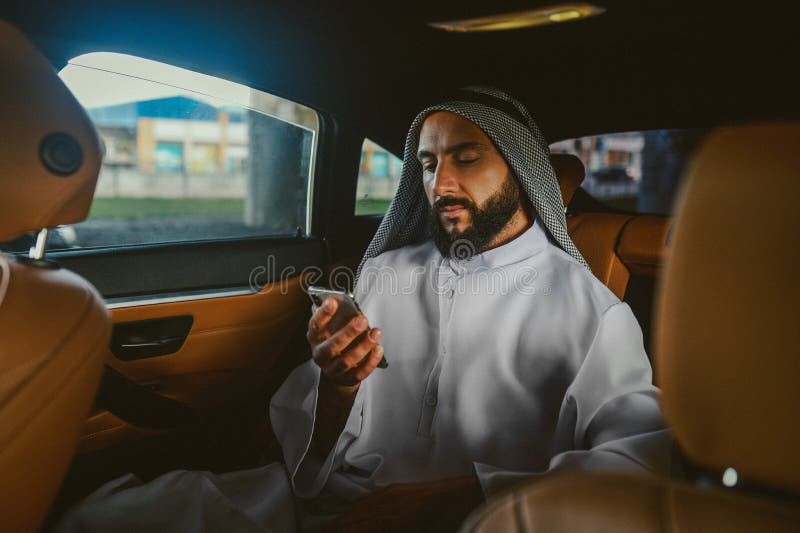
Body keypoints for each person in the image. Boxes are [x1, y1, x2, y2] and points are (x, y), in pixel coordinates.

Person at [55, 87, 669, 533]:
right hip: (320, 506)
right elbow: (311, 457)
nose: (441, 183)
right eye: (428, 164)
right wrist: (337, 386)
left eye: (466, 156)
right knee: (102, 515)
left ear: (523, 169)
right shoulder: (384, 274)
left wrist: (460, 500)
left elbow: (638, 462)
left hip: (484, 521)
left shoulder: (592, 311)